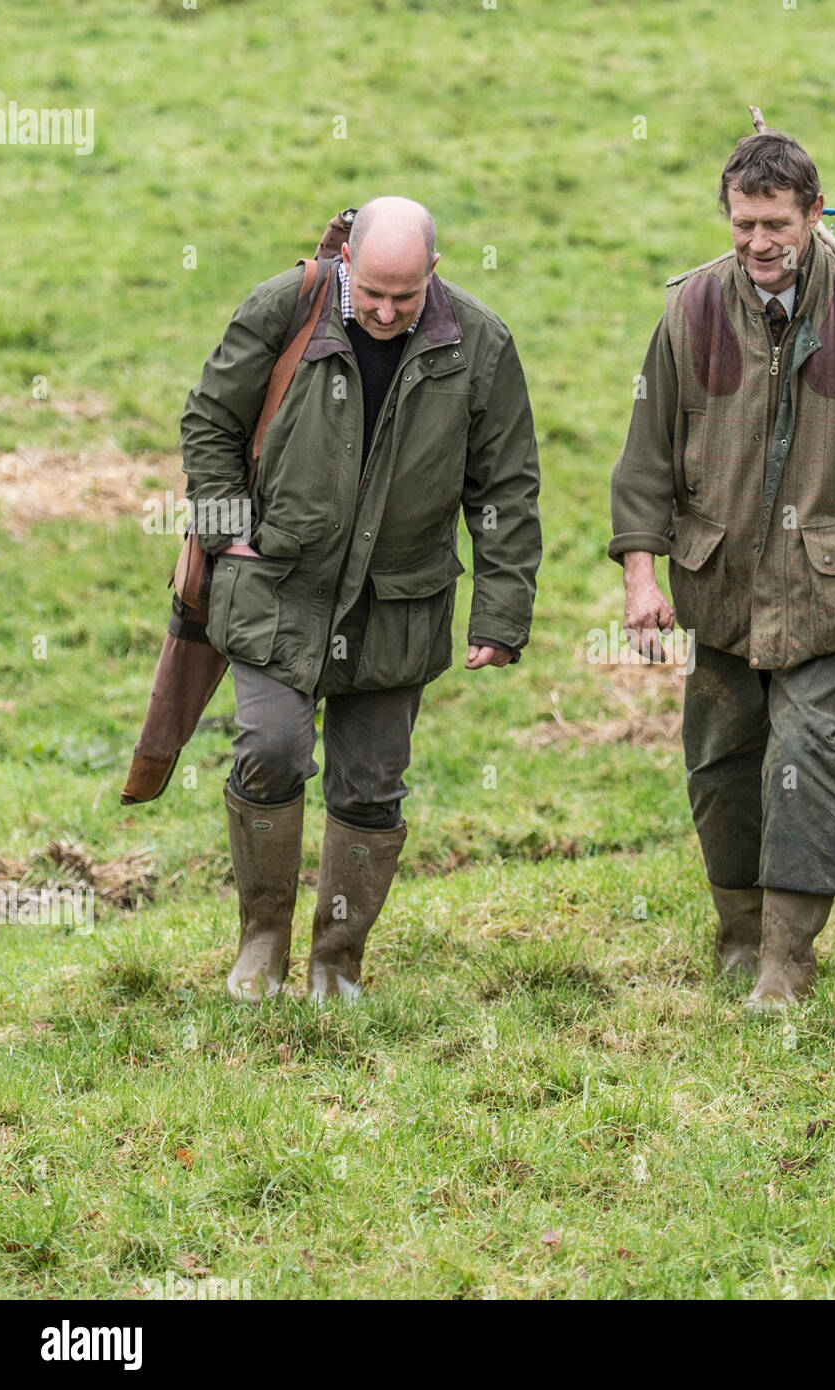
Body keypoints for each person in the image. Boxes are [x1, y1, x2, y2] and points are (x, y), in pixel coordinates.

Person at [609, 131, 835, 1011]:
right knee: (721, 762)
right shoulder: (691, 310)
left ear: (816, 214)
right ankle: (738, 936)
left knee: (805, 751)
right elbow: (644, 459)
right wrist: (640, 578)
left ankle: (786, 961)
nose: (759, 242)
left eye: (776, 223)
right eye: (743, 224)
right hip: (721, 588)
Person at [182, 196, 541, 1003]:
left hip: (399, 605)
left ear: (434, 275)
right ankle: (262, 943)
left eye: (404, 297)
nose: (383, 311)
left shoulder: (479, 344)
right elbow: (209, 418)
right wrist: (221, 524)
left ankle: (336, 963)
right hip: (277, 586)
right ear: (348, 263)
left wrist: (502, 613)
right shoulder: (286, 307)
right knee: (270, 750)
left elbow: (506, 487)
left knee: (371, 787)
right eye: (371, 291)